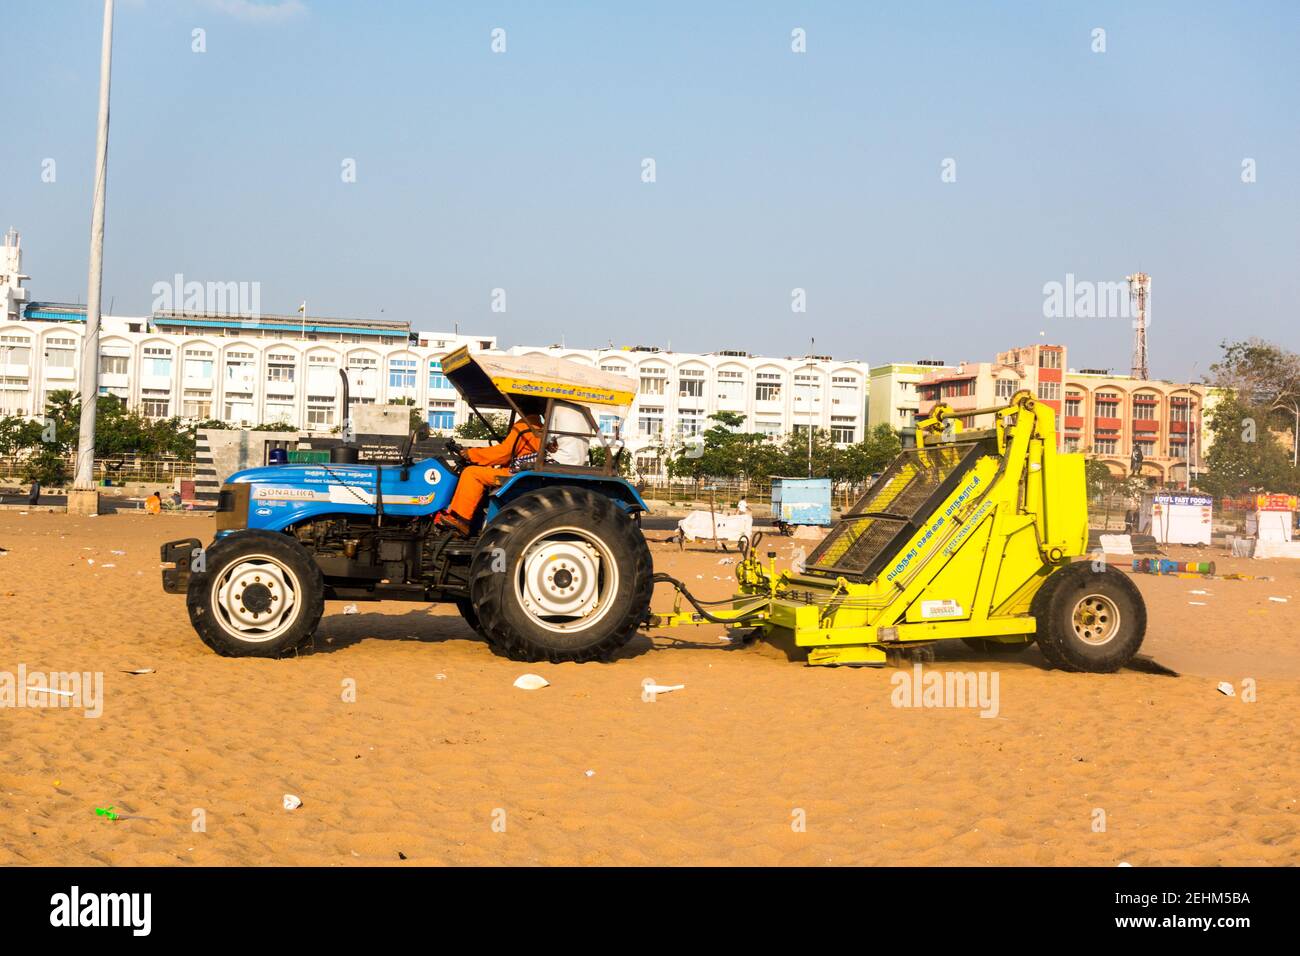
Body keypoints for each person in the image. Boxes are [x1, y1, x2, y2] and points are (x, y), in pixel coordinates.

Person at [437, 415, 543, 536]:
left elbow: (504, 453)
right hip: (519, 469)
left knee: (471, 473)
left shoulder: (525, 425)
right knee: (481, 469)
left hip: (513, 472)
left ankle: (461, 520)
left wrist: (472, 454)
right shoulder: (536, 425)